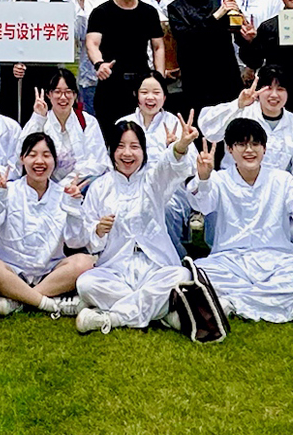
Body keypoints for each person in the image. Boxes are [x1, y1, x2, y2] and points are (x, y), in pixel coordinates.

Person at [70, 119, 201, 335]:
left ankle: (111, 318)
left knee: (180, 275)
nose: (127, 154)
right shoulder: (100, 187)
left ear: (143, 150)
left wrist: (181, 146)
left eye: (134, 146)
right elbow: (88, 236)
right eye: (121, 146)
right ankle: (162, 312)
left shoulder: (152, 179)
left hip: (155, 265)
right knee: (86, 283)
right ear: (112, 150)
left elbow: (169, 166)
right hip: (116, 268)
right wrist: (98, 230)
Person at [186, 117, 293, 325]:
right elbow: (202, 205)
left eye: (255, 144)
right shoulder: (219, 180)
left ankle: (229, 303)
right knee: (196, 274)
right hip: (229, 260)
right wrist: (204, 178)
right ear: (230, 149)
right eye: (241, 144)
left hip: (277, 259)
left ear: (264, 149)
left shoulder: (282, 180)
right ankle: (285, 302)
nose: (249, 150)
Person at [0, 133, 96, 318]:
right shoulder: (8, 190)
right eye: (32, 155)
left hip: (51, 272)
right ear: (22, 159)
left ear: (54, 161)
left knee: (86, 262)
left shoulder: (63, 193)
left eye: (46, 155)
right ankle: (49, 303)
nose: (39, 161)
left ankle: (19, 300)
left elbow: (75, 242)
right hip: (12, 270)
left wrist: (73, 206)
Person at [85, 0, 162, 126]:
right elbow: (92, 43)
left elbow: (158, 47)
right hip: (110, 83)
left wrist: (159, 78)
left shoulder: (149, 12)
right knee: (110, 137)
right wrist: (99, 64)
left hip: (142, 84)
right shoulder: (101, 12)